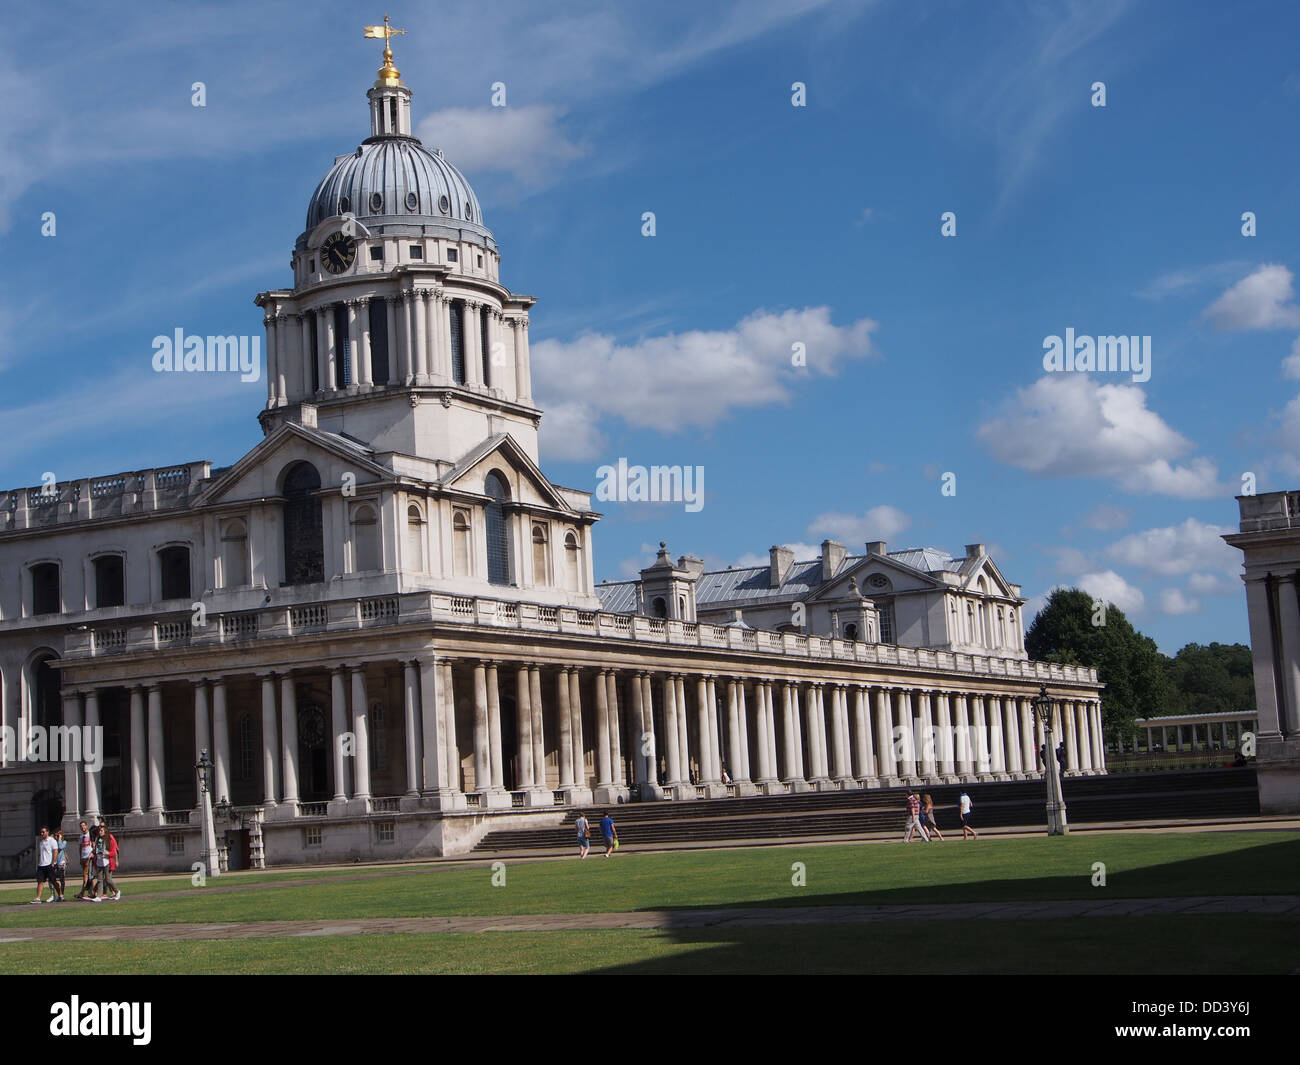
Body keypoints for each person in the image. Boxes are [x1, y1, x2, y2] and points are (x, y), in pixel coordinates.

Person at [32, 826, 56, 903]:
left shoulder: (52, 841)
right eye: (41, 832)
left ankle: (60, 895)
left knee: (53, 881)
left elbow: (55, 852)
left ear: (47, 832)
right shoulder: (41, 843)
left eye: (43, 832)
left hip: (49, 864)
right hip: (41, 865)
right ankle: (38, 898)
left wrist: (53, 862)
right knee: (40, 881)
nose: (42, 833)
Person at [77, 820, 95, 899]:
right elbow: (80, 847)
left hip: (89, 857)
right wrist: (80, 857)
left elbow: (94, 845)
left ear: (86, 826)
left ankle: (83, 892)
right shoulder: (81, 836)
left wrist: (92, 854)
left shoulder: (90, 835)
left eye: (84, 825)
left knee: (87, 875)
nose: (83, 827)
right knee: (87, 876)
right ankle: (92, 892)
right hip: (83, 857)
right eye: (81, 826)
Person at [52, 829, 68, 901]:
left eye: (58, 835)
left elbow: (61, 847)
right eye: (55, 835)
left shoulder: (64, 842)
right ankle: (55, 894)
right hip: (55, 862)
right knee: (53, 879)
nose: (56, 836)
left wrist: (59, 839)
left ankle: (62, 895)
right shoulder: (53, 842)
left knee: (62, 879)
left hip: (62, 862)